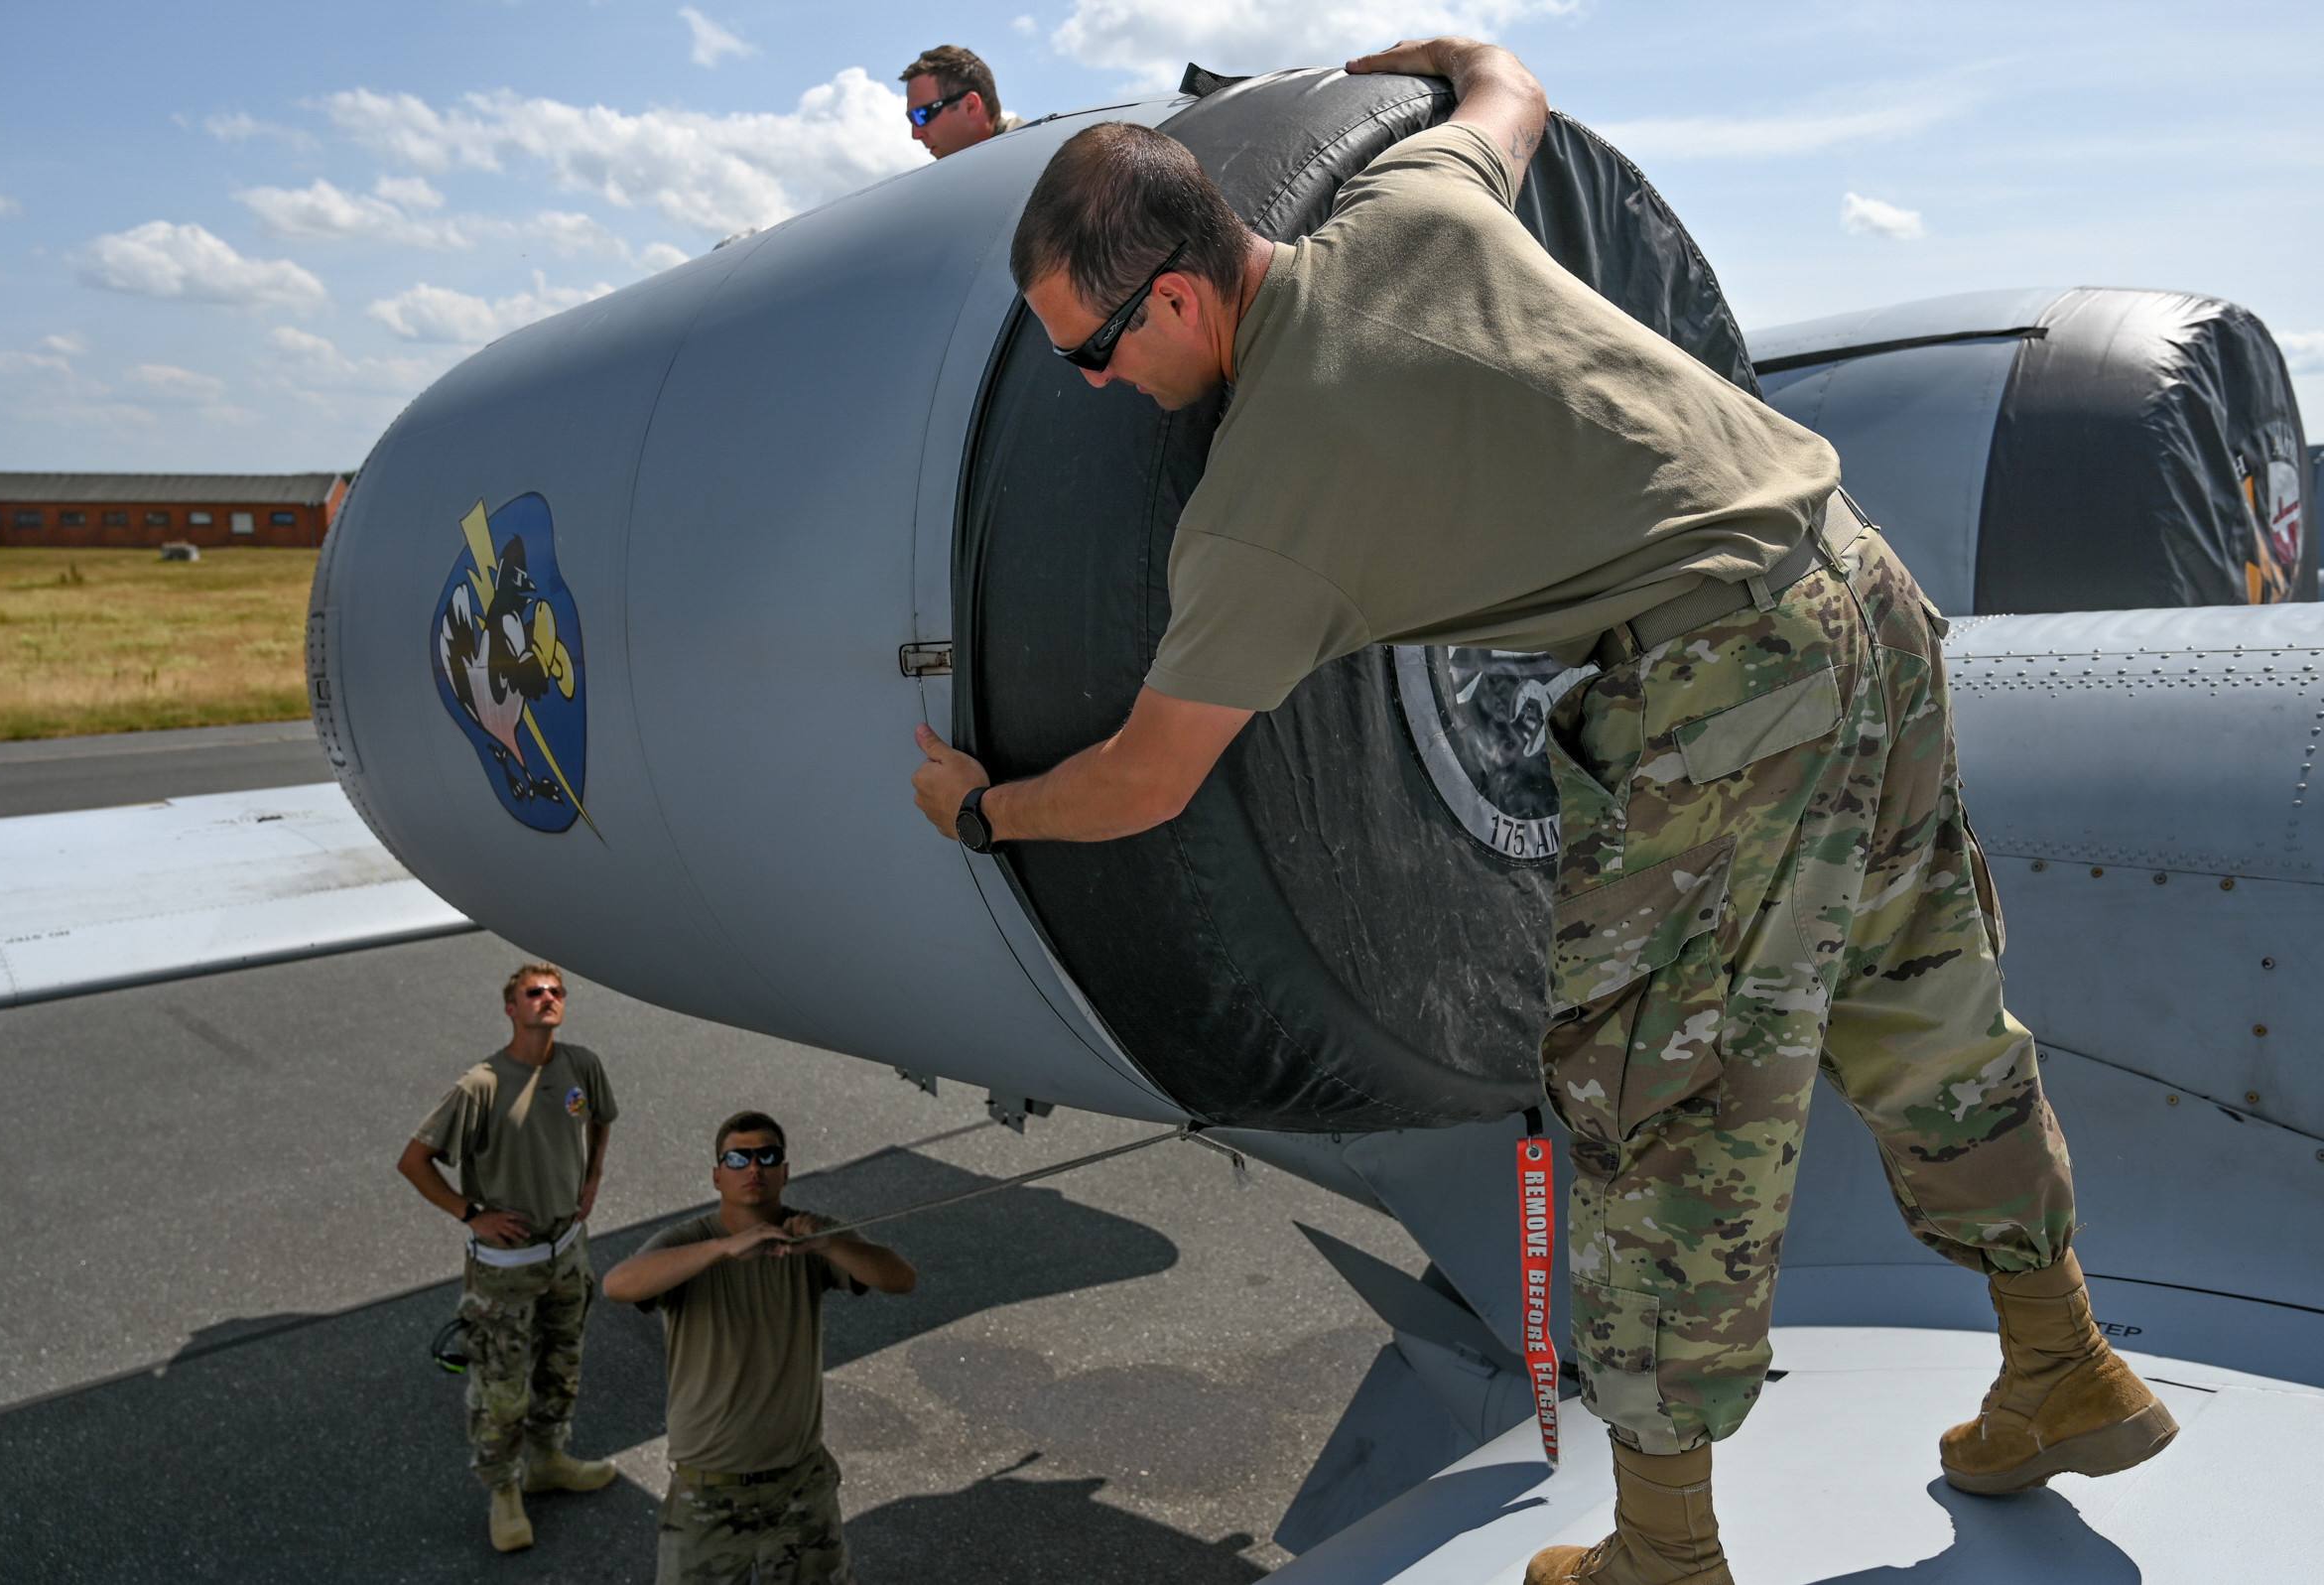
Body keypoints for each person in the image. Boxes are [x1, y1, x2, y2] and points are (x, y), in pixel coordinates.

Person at [906, 35, 2176, 1585]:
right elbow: (1506, 86)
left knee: (1667, 1113)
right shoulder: (1412, 202)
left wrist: (985, 811)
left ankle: (1664, 1550)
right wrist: (1425, 53)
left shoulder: (1263, 506)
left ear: (1173, 297)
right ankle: (2062, 1357)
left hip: (1725, 685)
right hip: (1859, 587)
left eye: (1091, 353)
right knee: (1924, 994)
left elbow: (1146, 776)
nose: (1094, 387)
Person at [602, 1111, 916, 1585]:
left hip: (800, 1485)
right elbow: (618, 1284)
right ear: (717, 1176)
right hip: (708, 1493)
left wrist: (829, 1245)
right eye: (738, 1159)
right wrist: (722, 1249)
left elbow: (900, 1278)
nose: (754, 1168)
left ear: (785, 1171)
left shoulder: (810, 1235)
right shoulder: (688, 1242)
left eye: (767, 1157)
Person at [398, 963, 621, 1553]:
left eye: (556, 991)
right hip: (506, 1268)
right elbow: (415, 1161)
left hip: (566, 1252)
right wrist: (471, 1214)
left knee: (561, 1366)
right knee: (502, 1386)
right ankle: (503, 1492)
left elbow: (601, 1118)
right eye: (533, 992)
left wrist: (593, 1176)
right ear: (511, 1008)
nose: (547, 998)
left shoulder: (581, 1065)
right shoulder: (482, 1085)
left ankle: (548, 1461)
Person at [899, 45, 1023, 160]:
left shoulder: (1028, 155)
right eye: (912, 118)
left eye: (922, 115)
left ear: (970, 106)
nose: (915, 134)